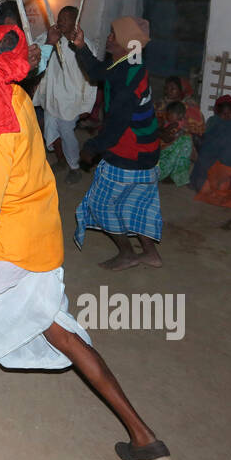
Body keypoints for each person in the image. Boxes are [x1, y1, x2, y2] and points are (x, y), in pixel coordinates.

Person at [0, 23, 172, 460]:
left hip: (8, 242)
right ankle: (145, 438)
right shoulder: (10, 95)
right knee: (60, 331)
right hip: (39, 235)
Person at [70, 17, 164, 270]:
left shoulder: (127, 77)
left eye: (113, 34)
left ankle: (127, 253)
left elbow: (116, 128)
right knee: (134, 204)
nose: (109, 37)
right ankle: (150, 254)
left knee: (101, 205)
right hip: (144, 150)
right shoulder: (129, 62)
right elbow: (98, 72)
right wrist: (80, 45)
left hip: (130, 151)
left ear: (125, 42)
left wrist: (92, 146)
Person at [33, 5, 98, 182]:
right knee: (50, 132)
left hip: (72, 101)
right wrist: (49, 40)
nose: (60, 22)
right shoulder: (54, 38)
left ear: (75, 22)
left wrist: (87, 104)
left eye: (65, 19)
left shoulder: (85, 46)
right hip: (52, 98)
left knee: (67, 134)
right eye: (59, 18)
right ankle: (62, 161)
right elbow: (36, 46)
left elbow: (92, 78)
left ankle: (74, 167)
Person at [190, 95, 231, 208]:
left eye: (230, 113)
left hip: (229, 170)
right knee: (202, 185)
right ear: (217, 113)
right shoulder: (213, 122)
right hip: (210, 165)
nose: (227, 116)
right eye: (223, 113)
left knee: (226, 189)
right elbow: (206, 148)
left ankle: (221, 185)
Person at [155, 100, 195, 186]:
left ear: (179, 115)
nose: (167, 115)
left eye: (170, 114)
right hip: (170, 144)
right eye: (167, 113)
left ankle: (168, 175)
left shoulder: (175, 124)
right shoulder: (175, 122)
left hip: (172, 145)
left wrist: (160, 128)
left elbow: (167, 135)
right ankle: (172, 175)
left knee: (169, 159)